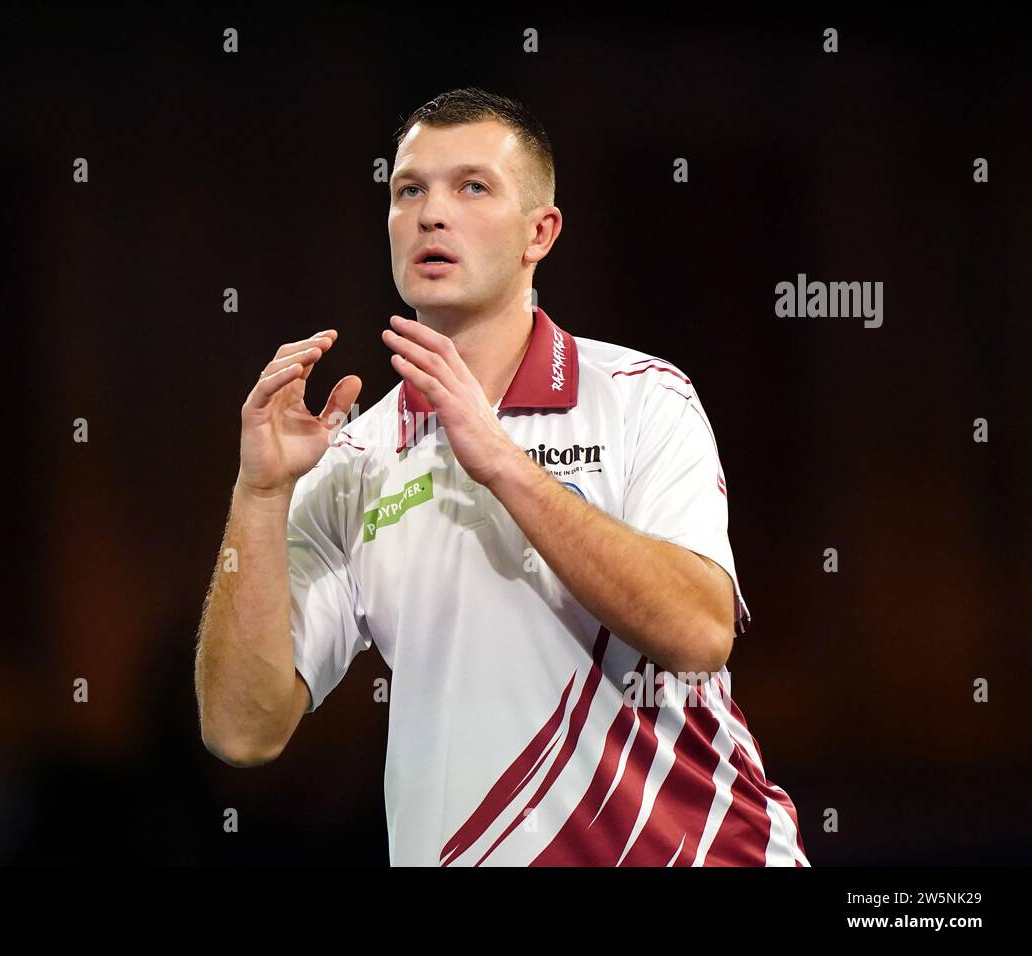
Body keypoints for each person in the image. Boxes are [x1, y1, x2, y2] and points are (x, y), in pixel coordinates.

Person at [195, 87, 808, 866]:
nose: (430, 213)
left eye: (472, 186)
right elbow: (242, 731)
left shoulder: (643, 394)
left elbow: (698, 633)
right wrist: (260, 494)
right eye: (408, 189)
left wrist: (502, 464)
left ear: (539, 233)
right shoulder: (352, 459)